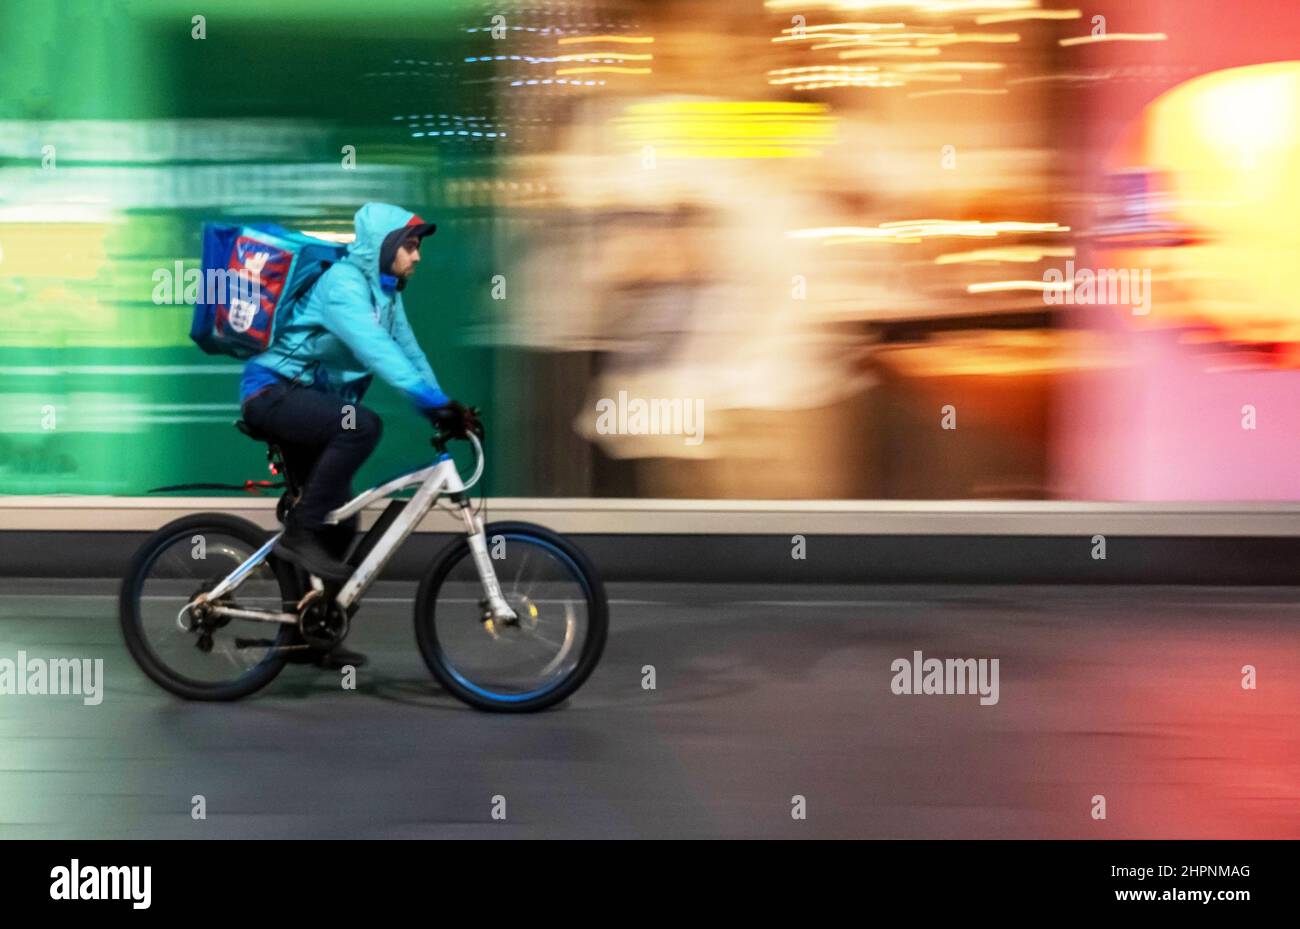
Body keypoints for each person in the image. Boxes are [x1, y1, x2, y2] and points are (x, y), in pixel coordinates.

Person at [239, 203, 477, 664]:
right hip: (273, 392)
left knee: (342, 517)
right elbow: (377, 351)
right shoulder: (344, 284)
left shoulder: (386, 295)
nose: (418, 256)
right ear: (385, 246)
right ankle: (300, 533)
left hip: (304, 399)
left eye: (418, 246)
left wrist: (445, 408)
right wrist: (429, 402)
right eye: (410, 245)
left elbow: (410, 353)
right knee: (362, 425)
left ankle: (309, 634)